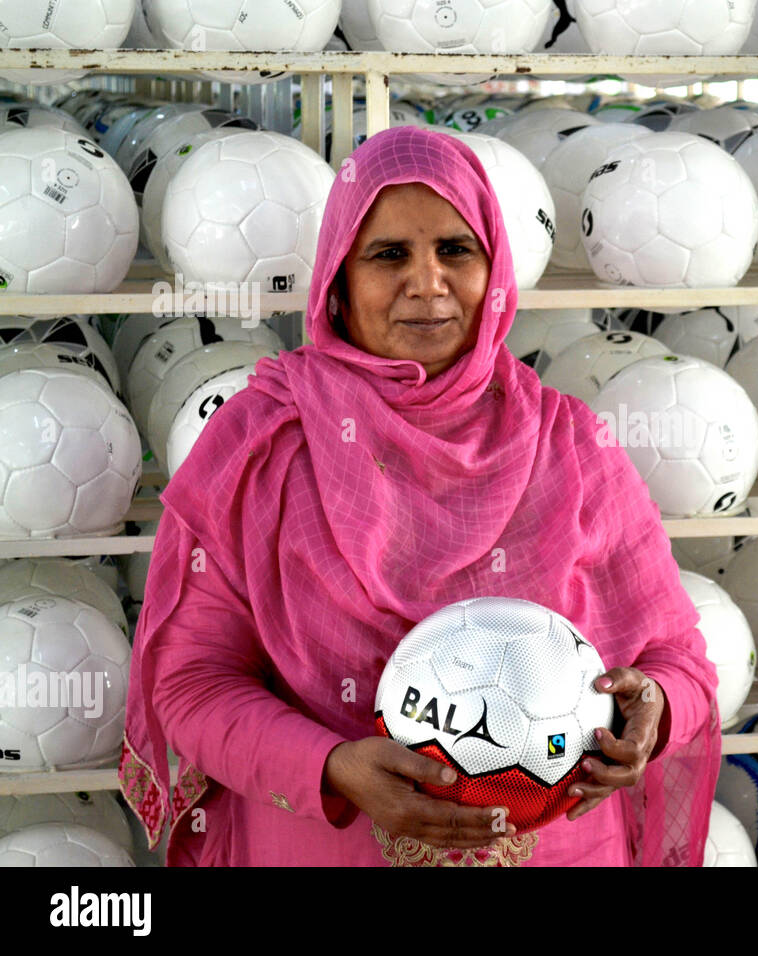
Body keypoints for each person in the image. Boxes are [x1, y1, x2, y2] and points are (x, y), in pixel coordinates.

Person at [119, 126, 721, 866]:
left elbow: (678, 660)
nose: (428, 283)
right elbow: (191, 684)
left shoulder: (570, 443)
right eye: (389, 255)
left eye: (456, 250)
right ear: (338, 278)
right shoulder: (262, 442)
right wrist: (329, 766)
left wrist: (653, 711)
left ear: (493, 269)